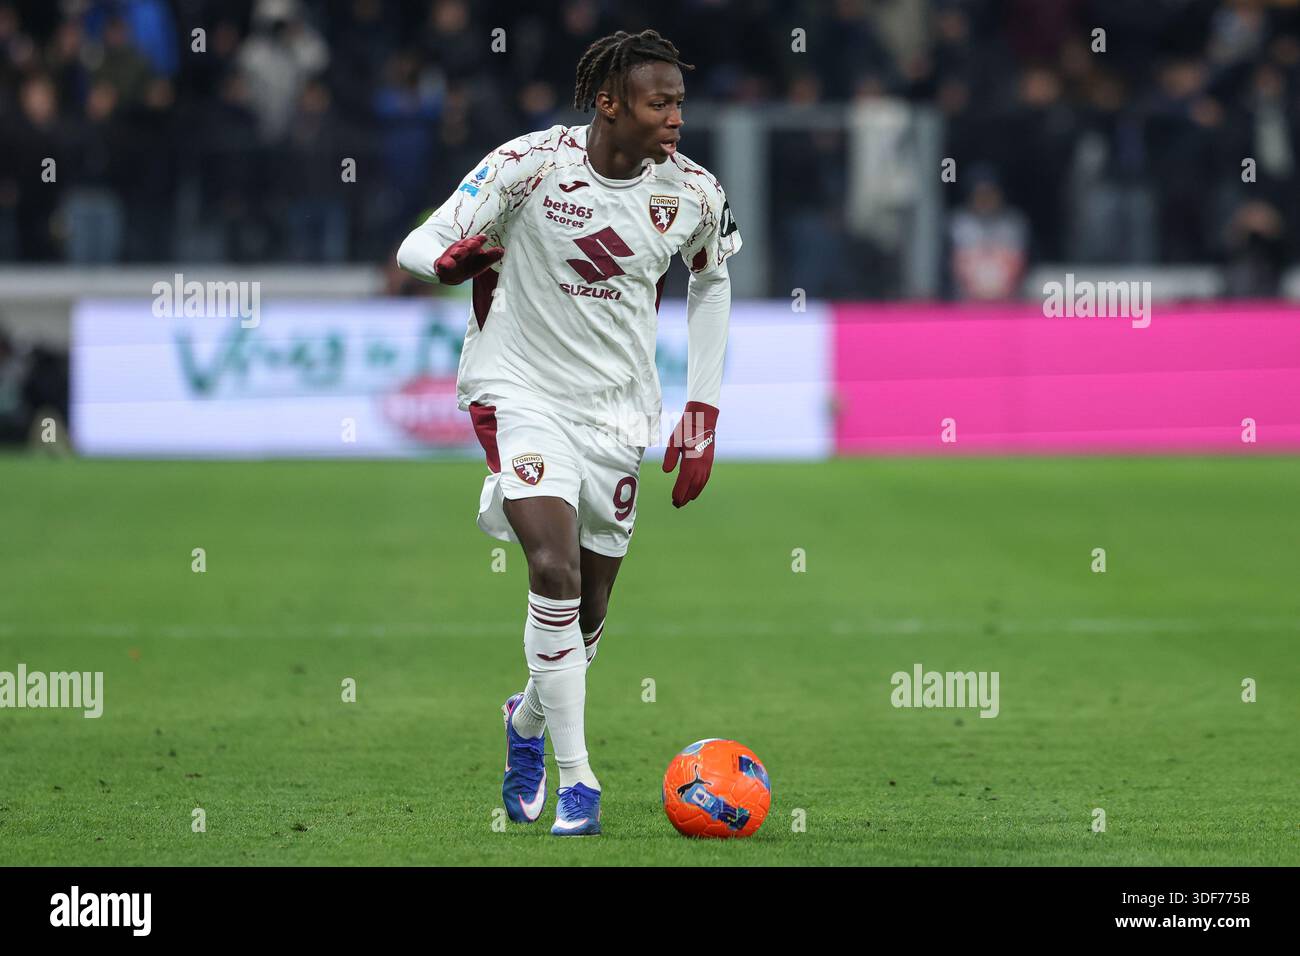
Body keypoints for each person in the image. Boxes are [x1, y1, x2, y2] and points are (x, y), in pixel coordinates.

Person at [396, 29, 741, 835]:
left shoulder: (693, 193)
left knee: (587, 614)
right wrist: (447, 267)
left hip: (619, 411)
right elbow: (420, 242)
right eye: (662, 102)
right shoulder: (529, 166)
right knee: (549, 567)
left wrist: (704, 410)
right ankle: (580, 782)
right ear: (611, 102)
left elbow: (712, 284)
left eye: (681, 103)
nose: (676, 118)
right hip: (518, 391)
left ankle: (524, 723)